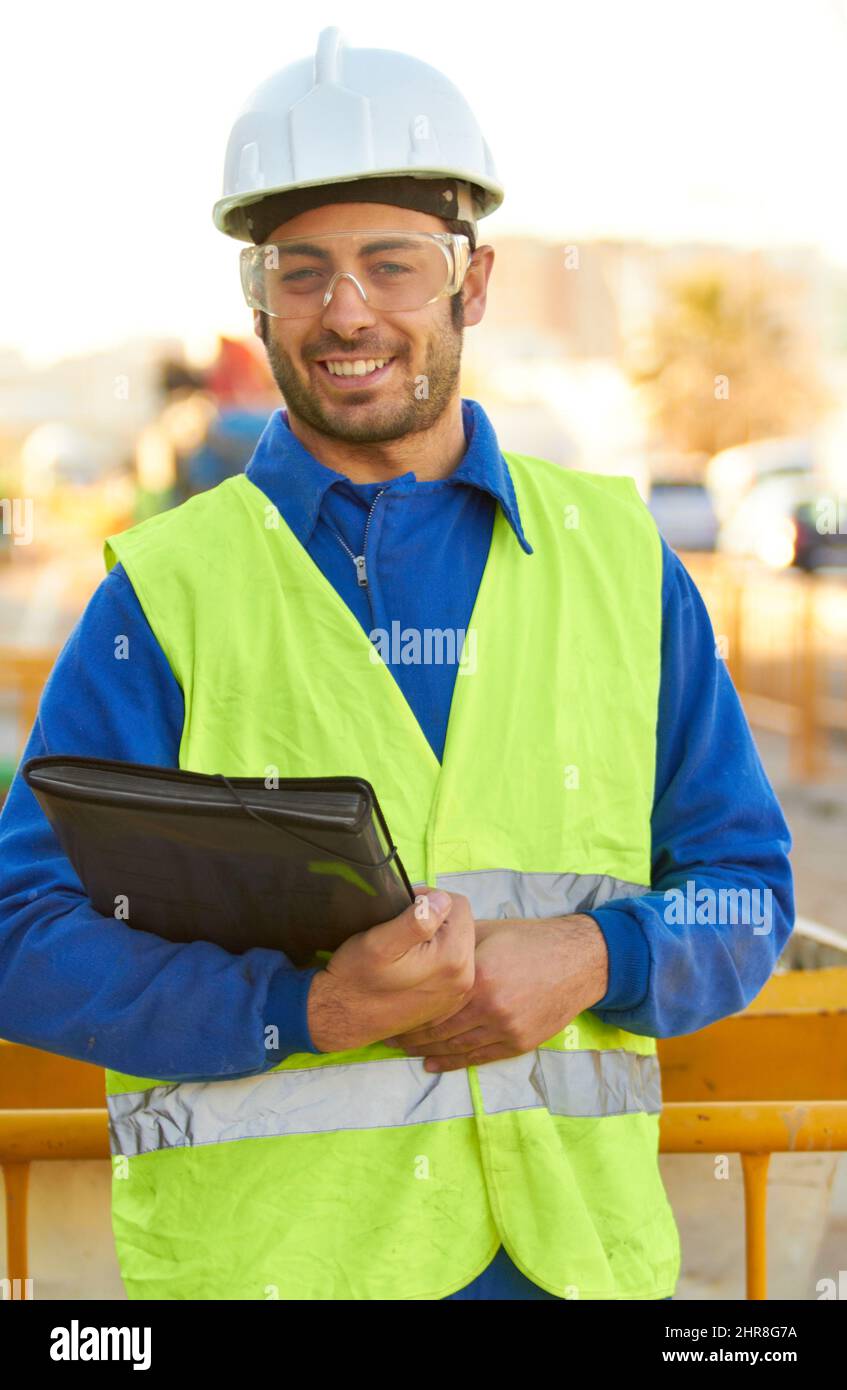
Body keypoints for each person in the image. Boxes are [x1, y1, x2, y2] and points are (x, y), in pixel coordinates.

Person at [0, 28, 793, 1301]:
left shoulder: (621, 563)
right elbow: (20, 933)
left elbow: (743, 889)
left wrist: (597, 958)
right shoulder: (165, 593)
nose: (346, 311)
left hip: (573, 1270)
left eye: (392, 265)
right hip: (273, 1279)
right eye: (300, 272)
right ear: (255, 300)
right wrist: (303, 1009)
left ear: (471, 286)